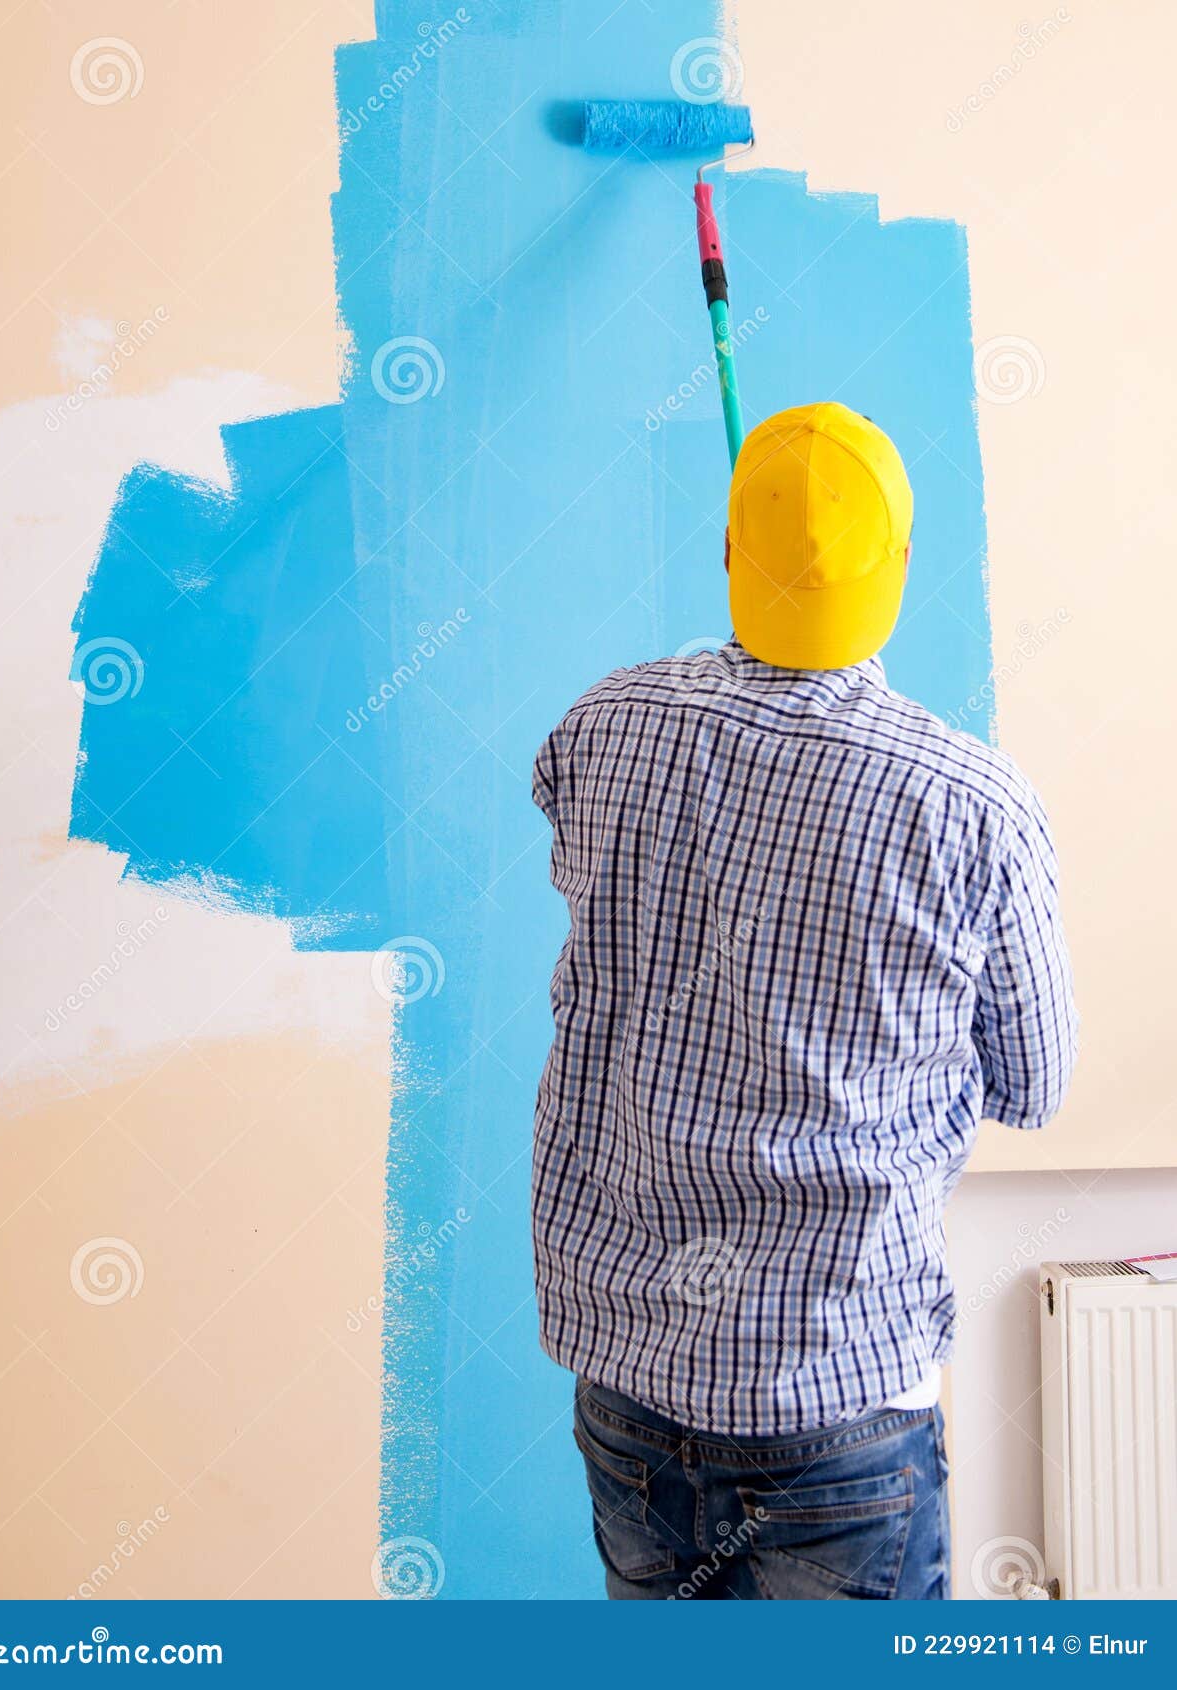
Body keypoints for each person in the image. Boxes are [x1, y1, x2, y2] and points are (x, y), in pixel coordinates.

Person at [530, 401, 1077, 1600]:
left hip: (629, 1386)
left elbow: (593, 878)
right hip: (836, 1400)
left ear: (730, 553)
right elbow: (1033, 1084)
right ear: (900, 568)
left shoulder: (601, 726)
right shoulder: (970, 802)